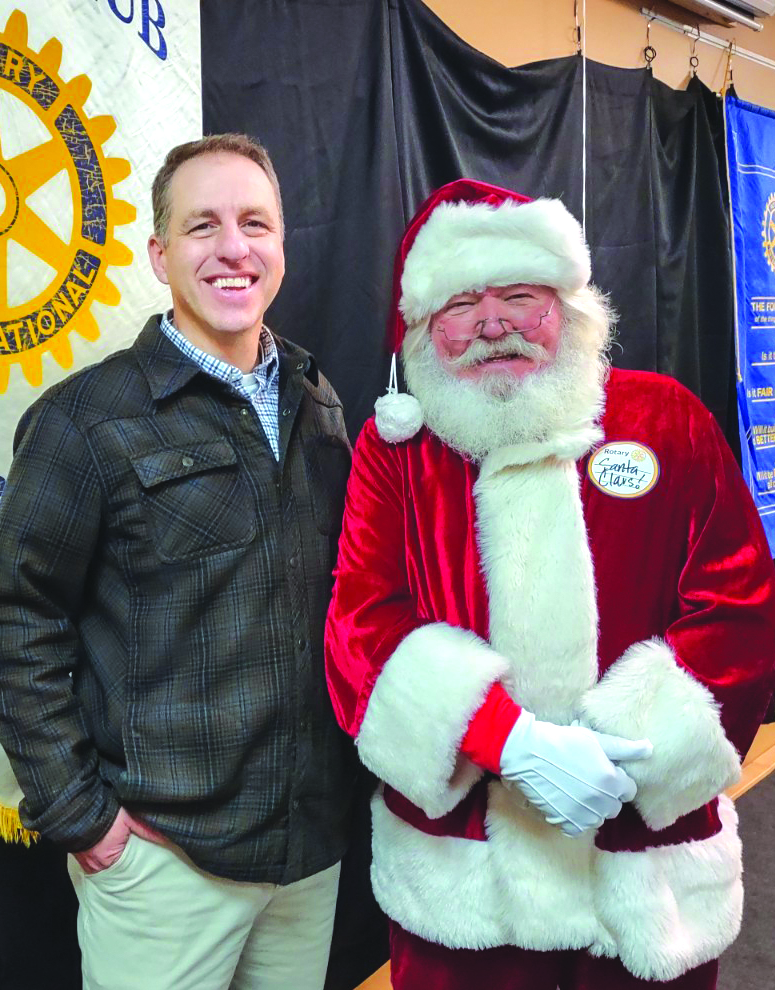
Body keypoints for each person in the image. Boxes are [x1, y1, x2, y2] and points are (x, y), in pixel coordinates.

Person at [324, 178, 775, 990]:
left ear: (567, 307)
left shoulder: (665, 421)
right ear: (423, 328)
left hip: (644, 874)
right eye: (462, 303)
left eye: (519, 295)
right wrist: (511, 743)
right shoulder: (394, 453)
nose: (493, 323)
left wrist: (634, 748)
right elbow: (363, 625)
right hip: (466, 881)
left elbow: (739, 605)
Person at [0, 133, 356, 990]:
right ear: (159, 253)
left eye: (254, 223)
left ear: (281, 248)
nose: (232, 248)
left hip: (307, 849)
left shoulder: (317, 401)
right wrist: (81, 817)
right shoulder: (85, 421)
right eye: (201, 226)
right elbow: (13, 616)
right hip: (166, 866)